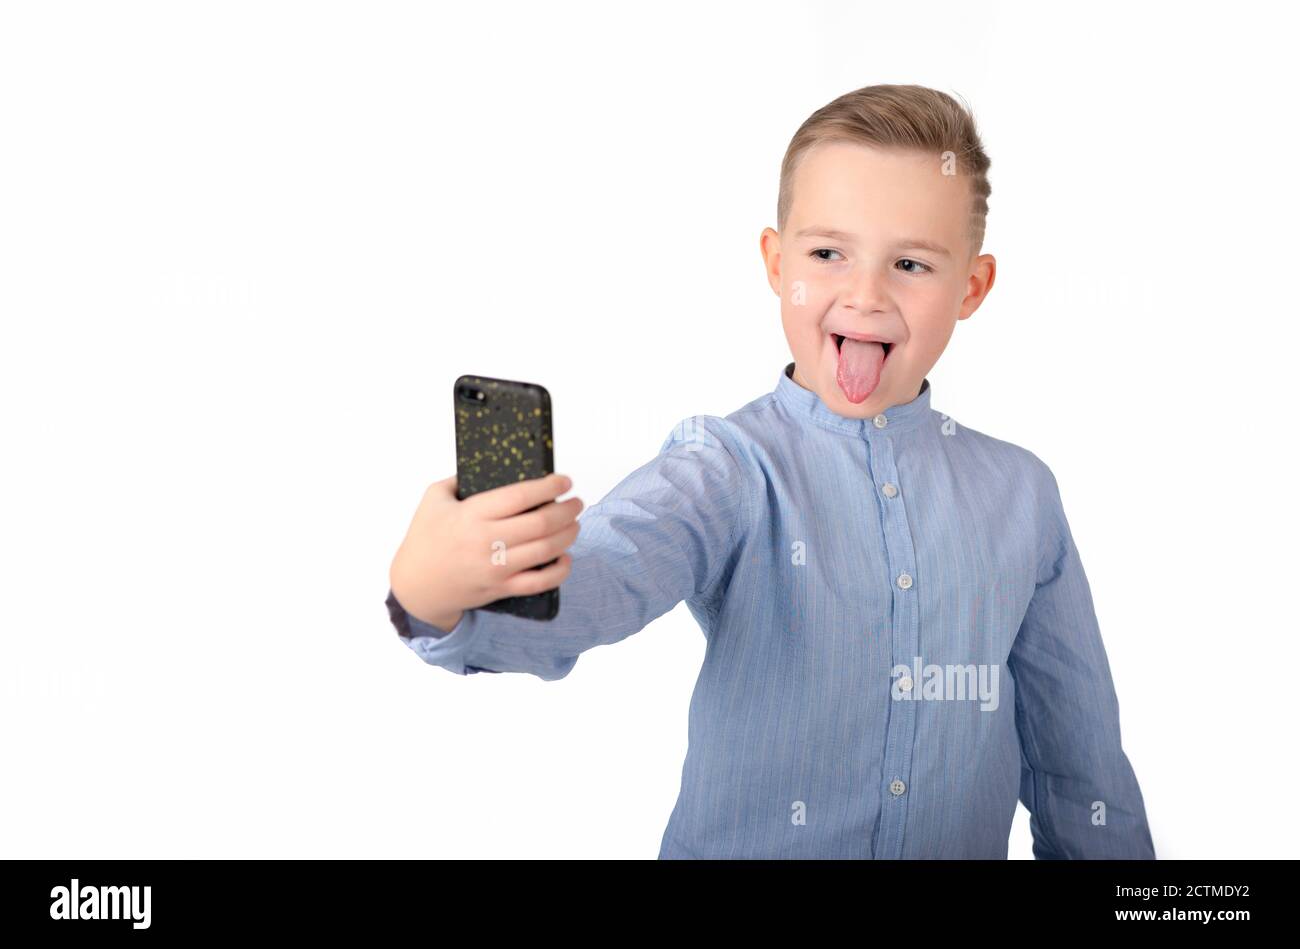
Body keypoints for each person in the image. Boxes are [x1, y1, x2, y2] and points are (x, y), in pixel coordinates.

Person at [386, 83, 1155, 860]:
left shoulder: (1022, 495)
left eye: (912, 263)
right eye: (827, 254)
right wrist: (441, 594)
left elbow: (1079, 765)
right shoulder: (725, 468)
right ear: (775, 261)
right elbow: (609, 572)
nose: (865, 294)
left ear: (972, 288)